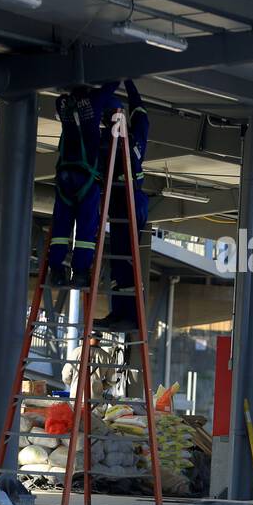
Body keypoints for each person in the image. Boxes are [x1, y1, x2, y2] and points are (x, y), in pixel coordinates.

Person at [48, 83, 117, 288]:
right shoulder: (91, 106)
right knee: (86, 229)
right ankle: (79, 272)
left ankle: (57, 270)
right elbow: (108, 93)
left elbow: (60, 100)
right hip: (84, 178)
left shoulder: (66, 109)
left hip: (66, 177)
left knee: (61, 227)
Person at [95, 78, 150, 332]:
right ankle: (120, 312)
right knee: (120, 261)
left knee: (124, 261)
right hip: (128, 203)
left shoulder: (106, 142)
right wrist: (129, 84)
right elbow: (142, 114)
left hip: (125, 203)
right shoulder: (134, 136)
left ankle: (128, 315)